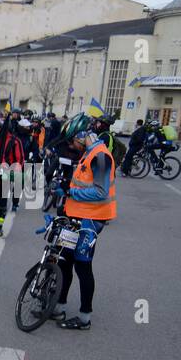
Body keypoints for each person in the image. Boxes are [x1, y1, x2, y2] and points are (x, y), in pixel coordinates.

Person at [51, 113, 117, 331]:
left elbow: (101, 192)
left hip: (91, 220)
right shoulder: (88, 153)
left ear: (81, 136)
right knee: (64, 260)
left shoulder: (100, 156)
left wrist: (71, 191)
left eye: (72, 141)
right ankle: (58, 306)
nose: (71, 145)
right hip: (76, 216)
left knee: (82, 266)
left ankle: (84, 317)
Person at [0, 117, 25, 236]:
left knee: (2, 201)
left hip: (6, 174)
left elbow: (19, 160)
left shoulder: (15, 141)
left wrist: (11, 169)